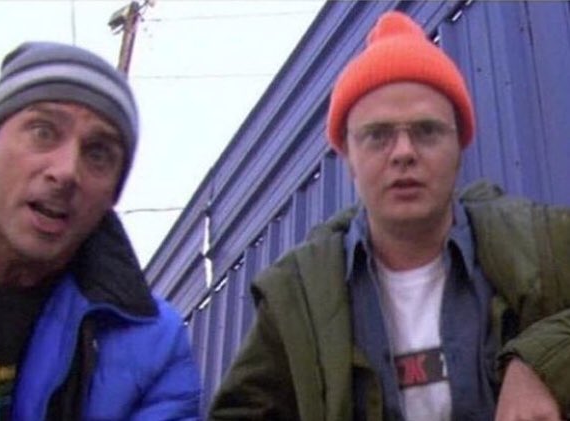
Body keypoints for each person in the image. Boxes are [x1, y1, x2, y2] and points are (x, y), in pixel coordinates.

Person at [209, 11, 569, 421]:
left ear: (460, 146)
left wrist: (541, 363)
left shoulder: (543, 245)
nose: (403, 153)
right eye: (377, 135)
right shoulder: (296, 294)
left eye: (427, 131)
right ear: (348, 157)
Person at [0, 41, 200, 420]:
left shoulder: (153, 346)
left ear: (112, 196)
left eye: (98, 153)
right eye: (43, 132)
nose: (67, 170)